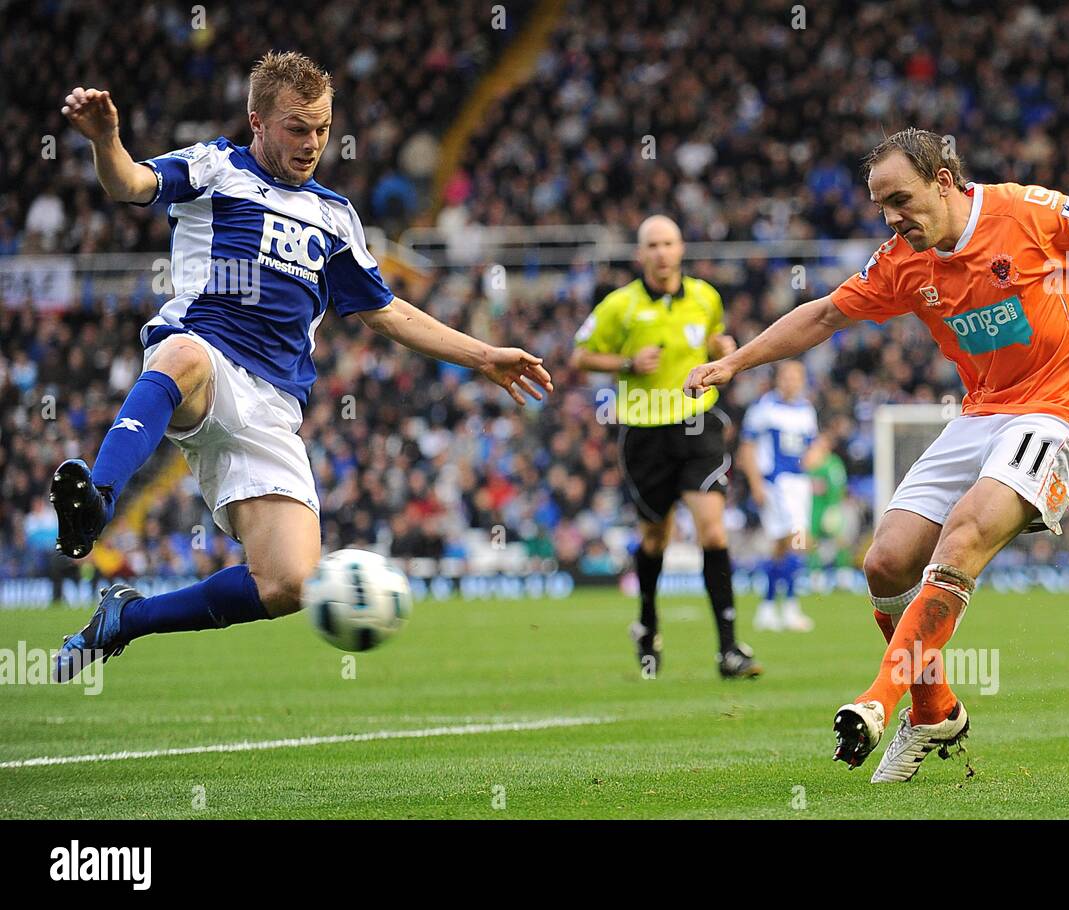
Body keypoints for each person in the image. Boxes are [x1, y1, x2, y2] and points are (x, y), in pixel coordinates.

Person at [685, 127, 1069, 780]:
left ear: (943, 181)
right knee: (885, 563)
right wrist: (734, 363)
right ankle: (935, 709)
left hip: (1063, 413)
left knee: (961, 537)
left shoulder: (1030, 213)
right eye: (881, 206)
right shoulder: (902, 262)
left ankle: (879, 702)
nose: (891, 218)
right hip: (981, 414)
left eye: (900, 200)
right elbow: (825, 315)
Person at [51, 52, 551, 682]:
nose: (312, 143)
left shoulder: (334, 216)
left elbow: (386, 311)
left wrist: (484, 355)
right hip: (207, 356)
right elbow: (128, 184)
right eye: (297, 128)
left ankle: (127, 618)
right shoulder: (216, 167)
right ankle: (96, 501)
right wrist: (106, 140)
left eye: (322, 128)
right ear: (257, 122)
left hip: (272, 408)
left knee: (289, 582)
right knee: (181, 354)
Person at [571, 215, 760, 679]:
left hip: (697, 424)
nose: (661, 252)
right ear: (641, 253)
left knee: (712, 531)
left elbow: (713, 343)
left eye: (668, 243)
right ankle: (648, 625)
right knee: (655, 538)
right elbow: (580, 356)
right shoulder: (620, 305)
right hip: (644, 431)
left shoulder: (705, 297)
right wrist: (626, 363)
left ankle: (729, 649)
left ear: (681, 249)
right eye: (652, 245)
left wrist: (722, 350)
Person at [737, 360, 821, 632]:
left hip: (799, 484)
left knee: (781, 546)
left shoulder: (806, 410)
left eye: (796, 377)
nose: (791, 382)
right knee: (798, 539)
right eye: (787, 377)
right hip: (776, 483)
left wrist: (814, 458)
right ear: (778, 379)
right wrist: (755, 483)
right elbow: (747, 447)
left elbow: (811, 446)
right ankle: (791, 607)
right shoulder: (764, 408)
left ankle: (768, 607)